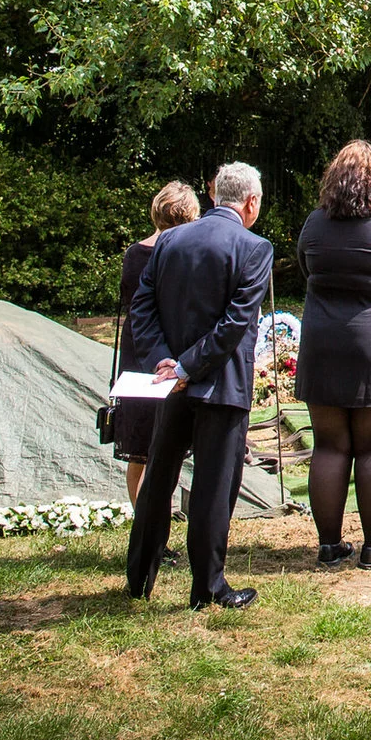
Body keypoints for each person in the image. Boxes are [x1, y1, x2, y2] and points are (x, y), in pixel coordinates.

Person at [125, 162, 273, 611]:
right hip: (221, 383)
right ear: (250, 203)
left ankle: (138, 577)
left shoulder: (169, 240)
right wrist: (185, 366)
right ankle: (208, 586)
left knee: (159, 480)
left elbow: (141, 309)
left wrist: (163, 363)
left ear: (213, 197)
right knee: (214, 485)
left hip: (171, 385)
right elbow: (234, 324)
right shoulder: (254, 247)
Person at [297, 140, 371, 568]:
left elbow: (305, 269)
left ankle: (328, 545)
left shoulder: (314, 224)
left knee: (329, 447)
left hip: (322, 343)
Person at [117, 181, 202, 513]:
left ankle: (144, 521)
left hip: (137, 351)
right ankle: (155, 523)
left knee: (139, 448)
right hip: (172, 353)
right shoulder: (185, 255)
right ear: (190, 215)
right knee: (167, 446)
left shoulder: (134, 254)